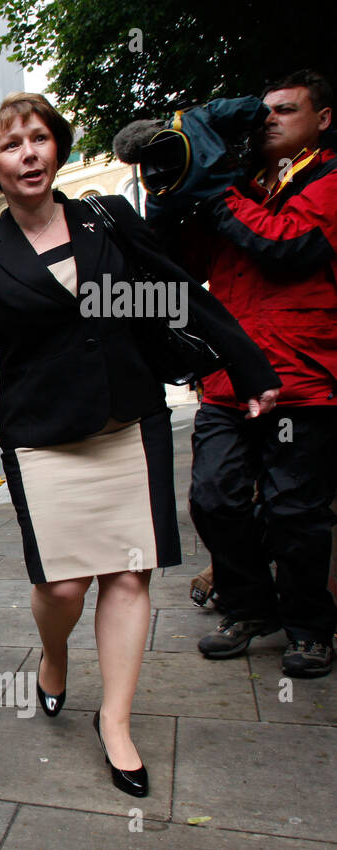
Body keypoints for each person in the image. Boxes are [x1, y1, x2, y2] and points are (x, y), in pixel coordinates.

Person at [0, 93, 280, 797]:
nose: (28, 153)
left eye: (39, 139)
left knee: (128, 575)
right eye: (11, 145)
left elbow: (176, 294)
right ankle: (54, 655)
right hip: (44, 439)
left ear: (55, 149)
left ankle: (115, 723)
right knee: (61, 586)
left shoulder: (106, 218)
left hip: (129, 421)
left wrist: (245, 362)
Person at [166, 70, 337, 678]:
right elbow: (184, 261)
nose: (270, 120)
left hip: (303, 381)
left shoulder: (329, 180)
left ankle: (312, 627)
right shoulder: (240, 188)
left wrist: (216, 193)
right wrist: (173, 184)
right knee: (213, 498)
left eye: (287, 110)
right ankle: (249, 607)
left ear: (322, 119)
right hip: (229, 381)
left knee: (296, 512)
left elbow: (288, 246)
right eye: (263, 112)